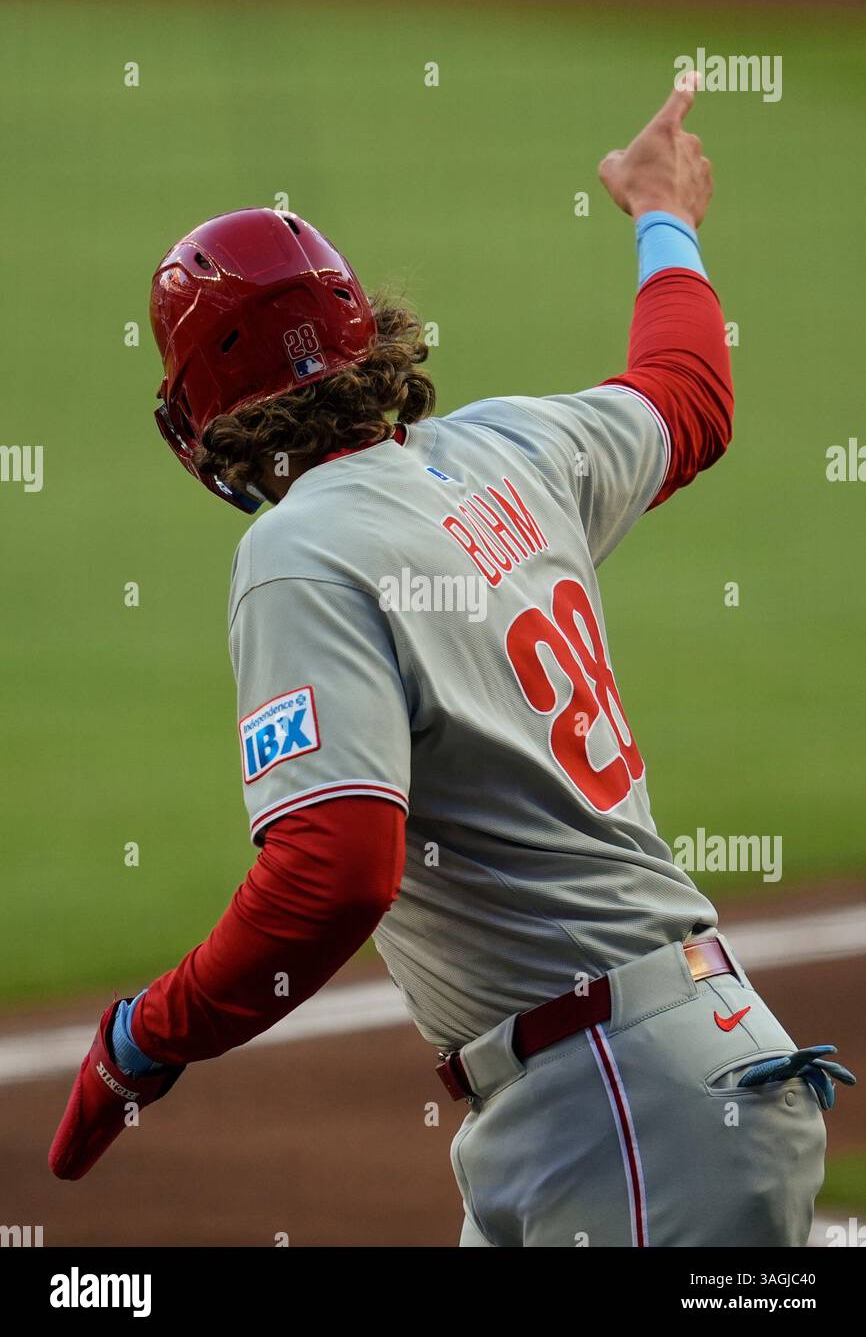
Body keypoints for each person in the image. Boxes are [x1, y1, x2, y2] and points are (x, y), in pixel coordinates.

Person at [49, 74, 853, 1247]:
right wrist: (658, 211)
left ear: (207, 420)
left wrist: (143, 1040)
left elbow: (331, 874)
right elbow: (688, 392)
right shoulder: (512, 445)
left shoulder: (299, 546)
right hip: (643, 1084)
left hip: (619, 1112)